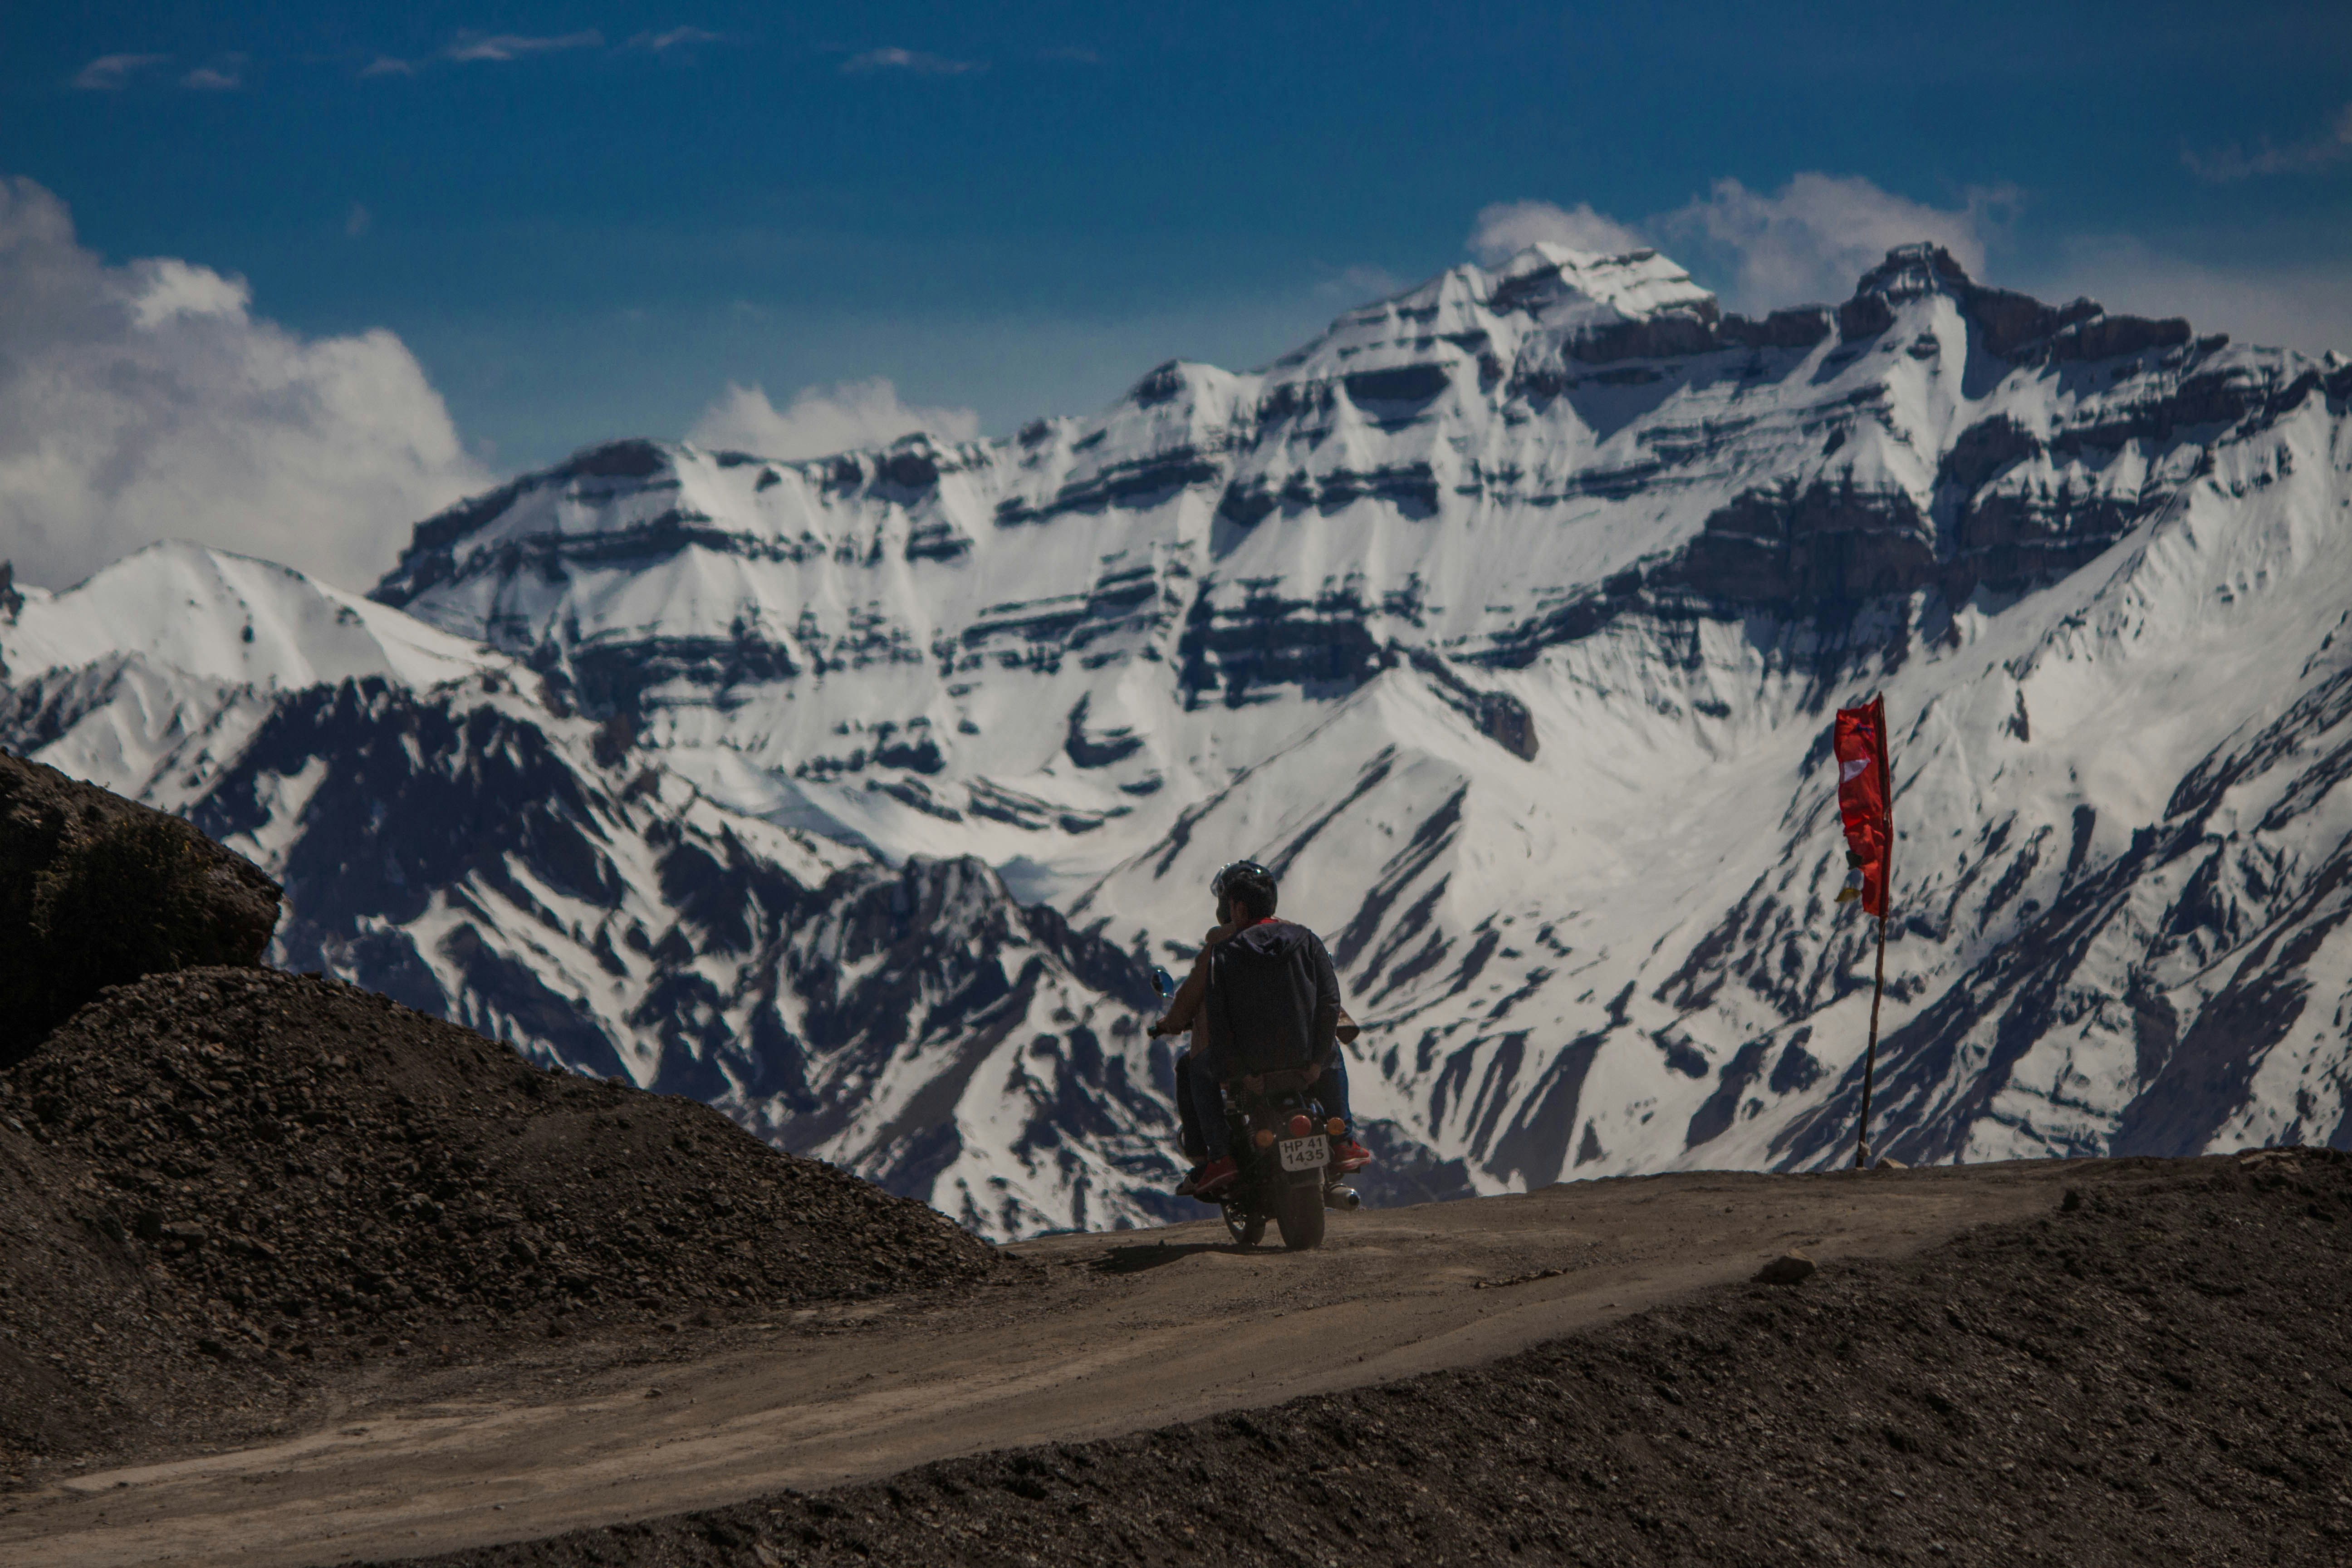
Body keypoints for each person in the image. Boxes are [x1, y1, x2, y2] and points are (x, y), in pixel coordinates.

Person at [1149, 860, 1371, 1197]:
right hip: (1302, 1056)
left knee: (1196, 1070)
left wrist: (1240, 1069)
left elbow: (1219, 1018)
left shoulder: (1221, 951)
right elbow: (1329, 1001)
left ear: (1235, 908)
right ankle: (1342, 1141)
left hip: (1251, 1065)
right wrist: (1315, 1060)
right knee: (1333, 1056)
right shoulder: (1306, 939)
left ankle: (1220, 1158)